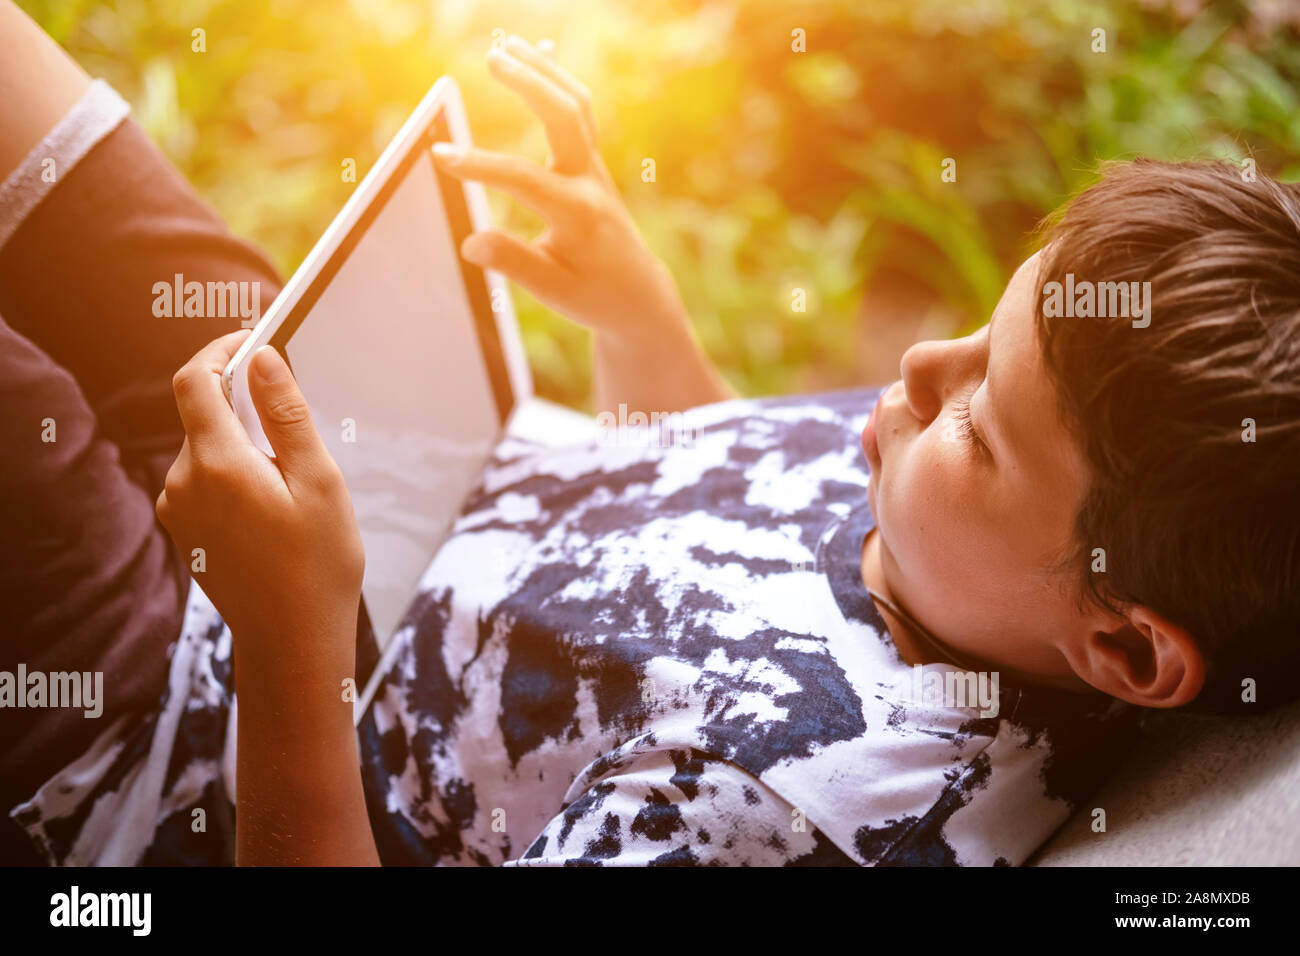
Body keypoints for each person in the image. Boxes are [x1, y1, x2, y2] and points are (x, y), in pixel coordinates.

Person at [2, 7, 1297, 866]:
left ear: (1124, 644)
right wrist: (640, 318)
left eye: (980, 419)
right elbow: (734, 553)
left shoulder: (770, 817)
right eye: (976, 330)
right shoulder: (966, 540)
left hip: (170, 736)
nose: (916, 369)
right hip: (349, 503)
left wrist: (290, 639)